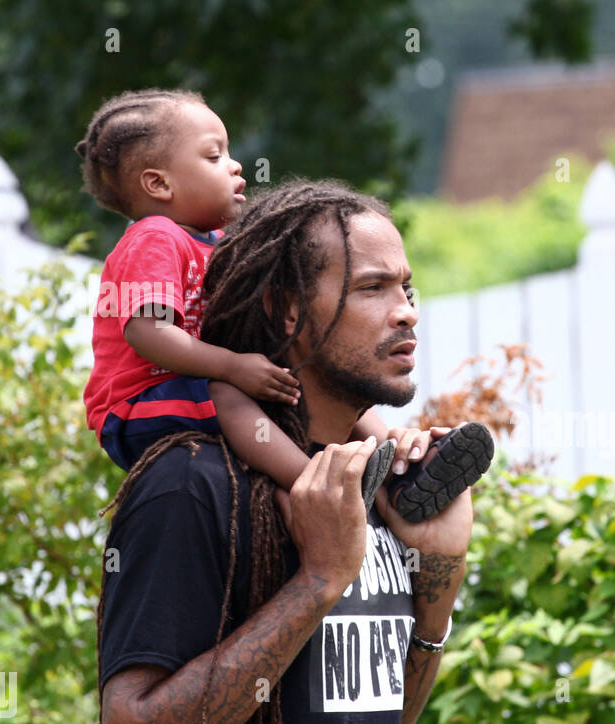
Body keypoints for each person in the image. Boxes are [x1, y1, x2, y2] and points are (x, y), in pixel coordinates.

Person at [95, 179, 474, 724]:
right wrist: (319, 580)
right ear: (286, 309)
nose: (407, 313)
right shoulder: (191, 486)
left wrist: (439, 583)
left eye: (408, 290)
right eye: (373, 289)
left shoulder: (368, 489)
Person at [76, 88, 490, 509]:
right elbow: (149, 332)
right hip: (136, 407)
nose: (236, 165)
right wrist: (234, 366)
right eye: (213, 156)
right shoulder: (154, 239)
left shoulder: (216, 243)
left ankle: (403, 466)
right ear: (159, 183)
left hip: (203, 383)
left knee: (318, 368)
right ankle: (318, 486)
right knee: (228, 395)